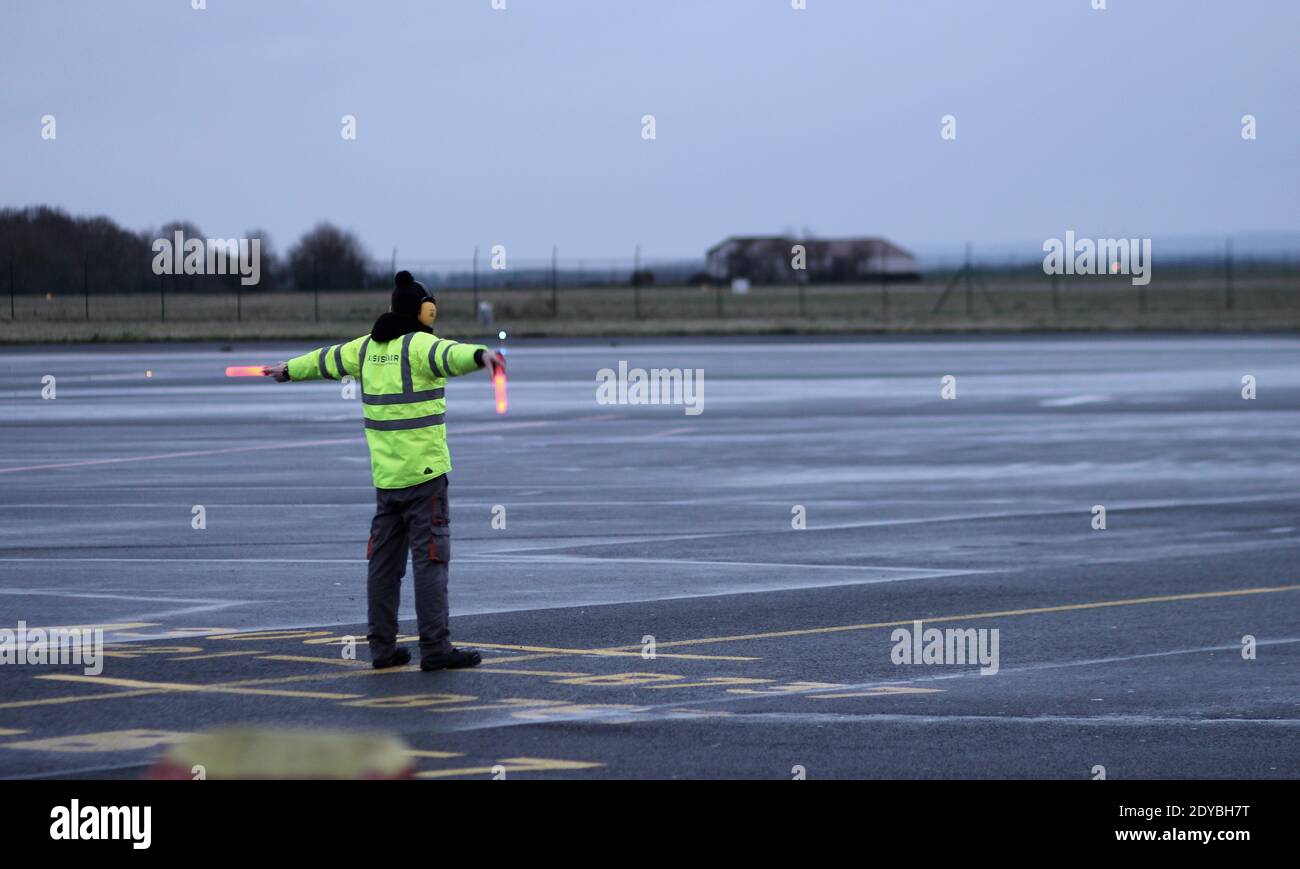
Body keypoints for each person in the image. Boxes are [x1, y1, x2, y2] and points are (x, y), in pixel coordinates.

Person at [263, 270, 504, 672]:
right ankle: (435, 647)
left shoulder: (366, 349)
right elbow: (453, 355)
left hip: (386, 481)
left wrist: (287, 369)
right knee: (430, 561)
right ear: (425, 311)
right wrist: (483, 355)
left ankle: (382, 648)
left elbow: (325, 360)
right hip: (426, 478)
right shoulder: (421, 346)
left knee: (383, 566)